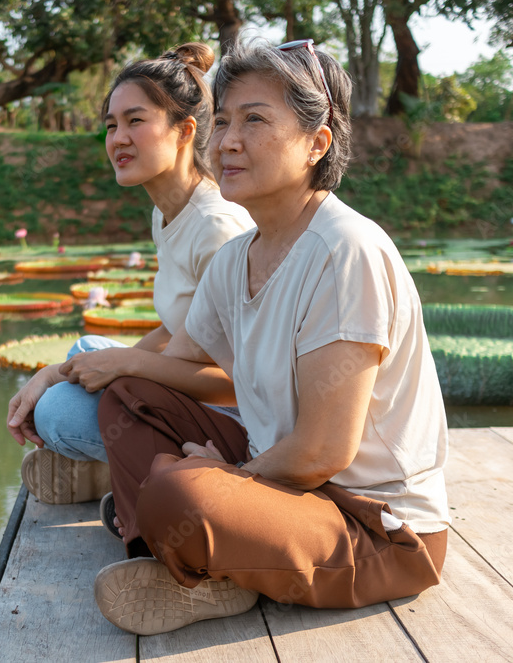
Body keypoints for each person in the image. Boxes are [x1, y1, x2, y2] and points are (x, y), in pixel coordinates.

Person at [87, 39, 451, 636]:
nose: (226, 141)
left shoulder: (344, 251)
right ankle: (178, 554)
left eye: (255, 120)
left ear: (317, 143)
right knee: (130, 394)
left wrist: (229, 477)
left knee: (177, 495)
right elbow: (176, 362)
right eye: (223, 120)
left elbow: (321, 452)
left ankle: (188, 546)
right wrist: (100, 366)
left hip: (369, 526)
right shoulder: (236, 259)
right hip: (279, 487)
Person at [5, 42, 255, 506]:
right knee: (87, 350)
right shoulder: (166, 214)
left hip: (239, 423)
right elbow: (179, 329)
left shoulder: (217, 226)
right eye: (111, 126)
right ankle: (116, 468)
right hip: (189, 390)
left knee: (57, 412)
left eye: (135, 121)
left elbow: (247, 382)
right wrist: (62, 370)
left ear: (184, 131)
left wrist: (122, 366)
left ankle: (128, 472)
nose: (118, 138)